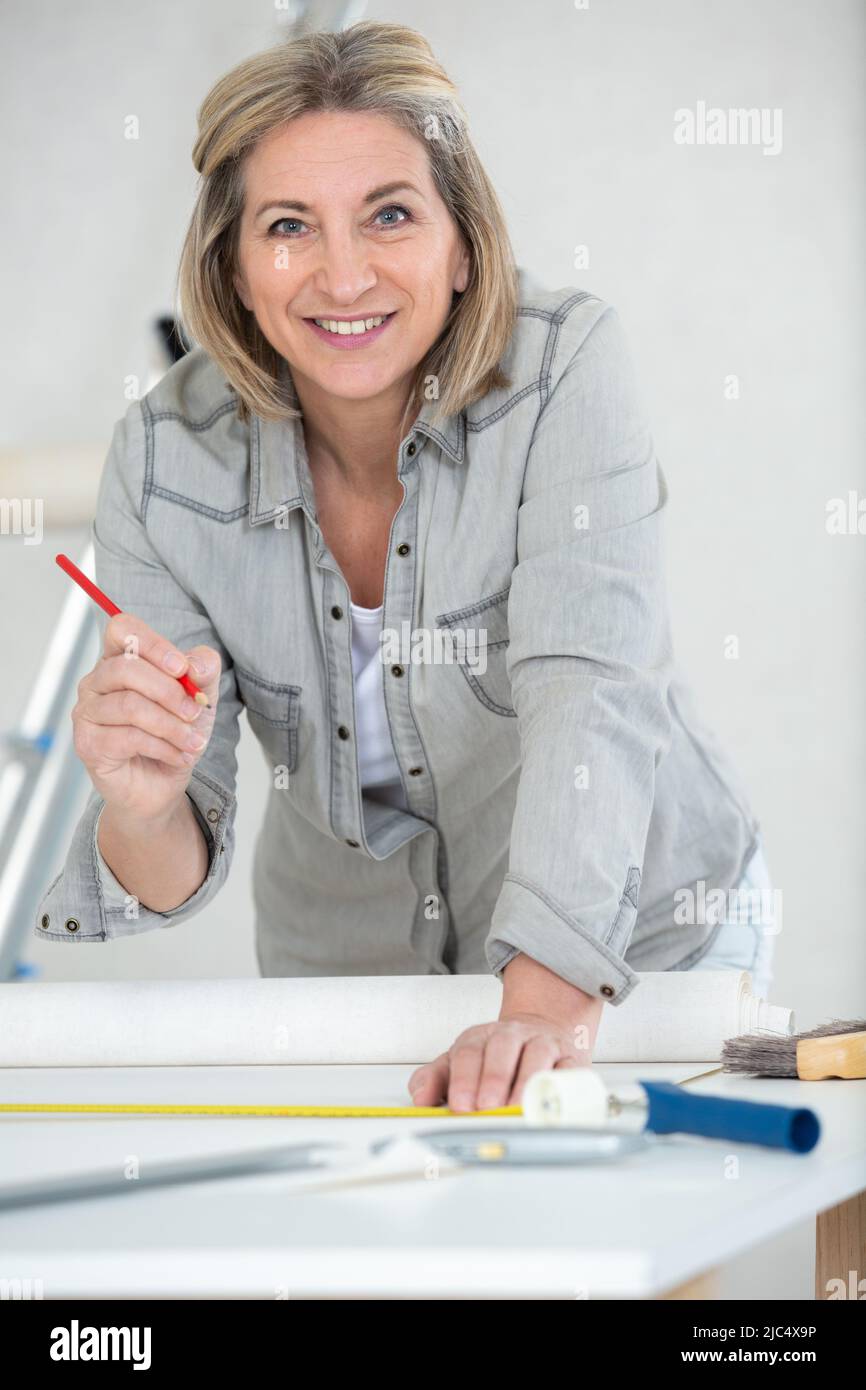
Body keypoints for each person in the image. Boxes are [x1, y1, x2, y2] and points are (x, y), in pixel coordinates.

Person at [36, 21, 772, 1113]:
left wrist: (538, 1004)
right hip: (354, 980)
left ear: (462, 241)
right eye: (288, 226)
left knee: (620, 1273)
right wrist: (141, 805)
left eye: (390, 214)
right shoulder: (162, 456)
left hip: (633, 943)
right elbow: (170, 869)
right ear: (234, 270)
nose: (343, 273)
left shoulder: (563, 371)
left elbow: (592, 694)